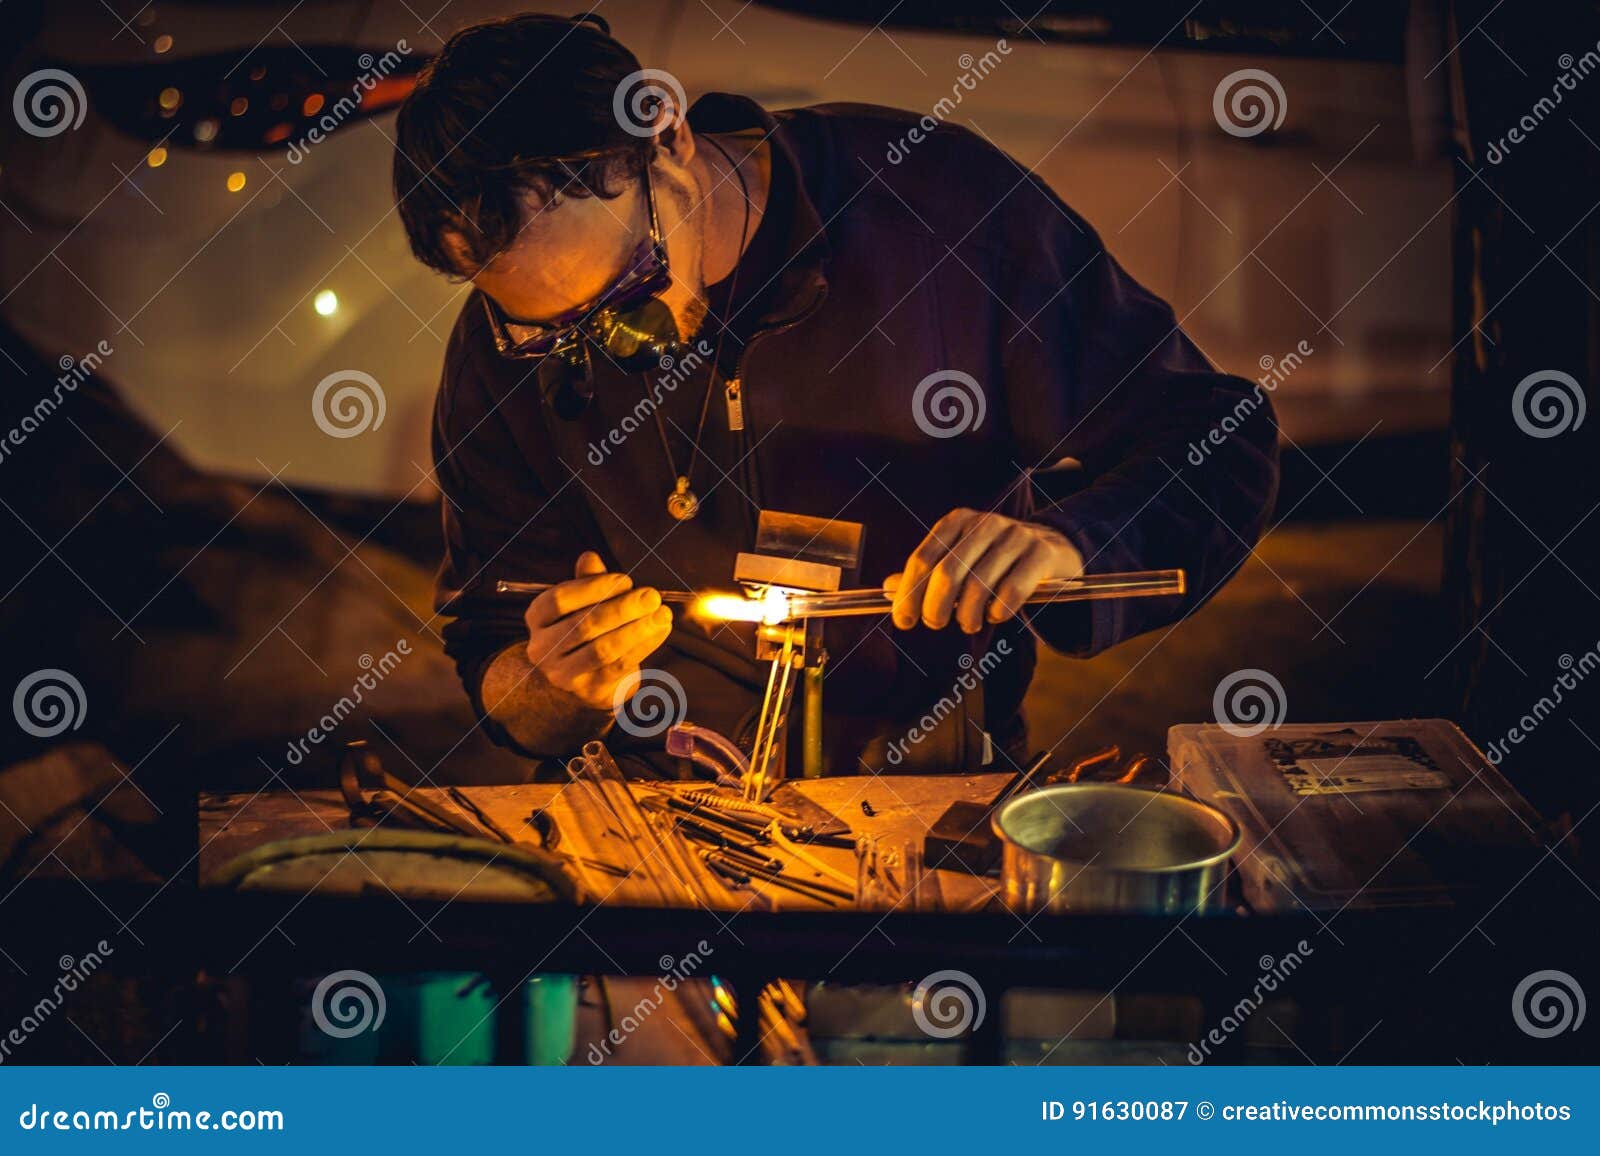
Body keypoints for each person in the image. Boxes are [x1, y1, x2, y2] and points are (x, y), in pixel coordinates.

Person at [392, 13, 1278, 775]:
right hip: (659, 812)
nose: (619, 343)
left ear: (666, 137)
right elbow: (494, 657)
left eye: (630, 286)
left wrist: (1069, 542)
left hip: (920, 790)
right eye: (555, 332)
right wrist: (554, 688)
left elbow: (1215, 438)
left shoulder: (936, 208)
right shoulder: (499, 350)